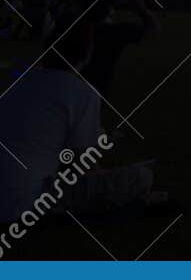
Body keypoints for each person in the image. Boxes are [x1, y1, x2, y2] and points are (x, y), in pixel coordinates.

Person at [0, 21, 156, 224]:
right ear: (87, 55)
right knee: (141, 177)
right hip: (23, 204)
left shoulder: (17, 80)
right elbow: (83, 161)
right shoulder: (82, 93)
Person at [84, 0, 160, 101]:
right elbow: (153, 29)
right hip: (98, 89)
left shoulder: (73, 26)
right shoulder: (113, 32)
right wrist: (140, 8)